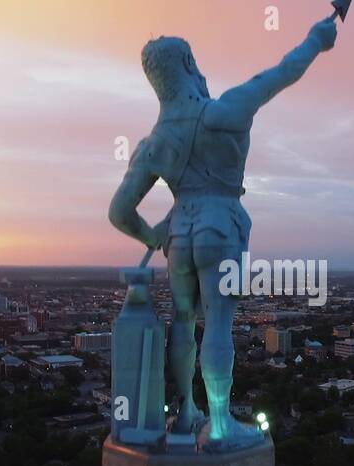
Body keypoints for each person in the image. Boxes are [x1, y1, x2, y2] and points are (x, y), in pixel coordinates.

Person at [109, 16, 338, 444]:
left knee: (182, 319)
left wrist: (150, 235)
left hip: (178, 235)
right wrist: (315, 39)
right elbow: (284, 71)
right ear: (191, 65)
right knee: (218, 321)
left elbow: (120, 211)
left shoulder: (154, 143)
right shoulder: (225, 110)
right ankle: (219, 424)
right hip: (221, 224)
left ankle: (187, 412)